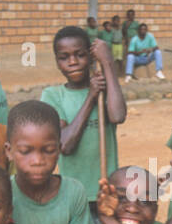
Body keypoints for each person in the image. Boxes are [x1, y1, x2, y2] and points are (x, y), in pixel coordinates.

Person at [40, 26, 126, 203]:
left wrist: (108, 63)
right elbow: (65, 145)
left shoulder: (106, 89)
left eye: (80, 55)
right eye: (64, 57)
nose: (73, 62)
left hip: (107, 193)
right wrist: (91, 97)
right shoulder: (53, 95)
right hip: (74, 197)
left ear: (90, 57)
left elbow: (117, 116)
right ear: (57, 62)